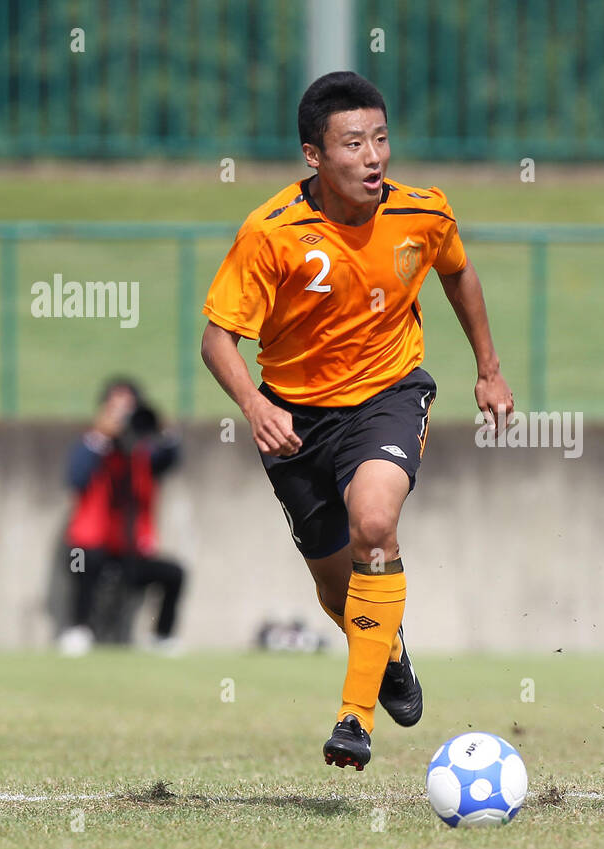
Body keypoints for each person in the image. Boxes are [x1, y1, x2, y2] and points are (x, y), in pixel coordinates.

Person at [199, 71, 514, 771]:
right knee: (335, 585)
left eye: (380, 138)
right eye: (353, 143)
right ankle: (390, 649)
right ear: (315, 156)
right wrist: (255, 405)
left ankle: (354, 716)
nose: (374, 157)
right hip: (294, 418)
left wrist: (488, 367)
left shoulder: (423, 213)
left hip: (387, 396)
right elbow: (217, 339)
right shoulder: (271, 232)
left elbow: (457, 271)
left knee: (376, 522)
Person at [57, 379, 185, 656]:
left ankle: (162, 637)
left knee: (175, 573)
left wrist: (162, 427)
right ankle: (79, 630)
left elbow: (172, 458)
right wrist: (101, 435)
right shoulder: (92, 448)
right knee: (83, 560)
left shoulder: (144, 455)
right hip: (94, 546)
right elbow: (75, 478)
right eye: (116, 410)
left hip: (132, 551)